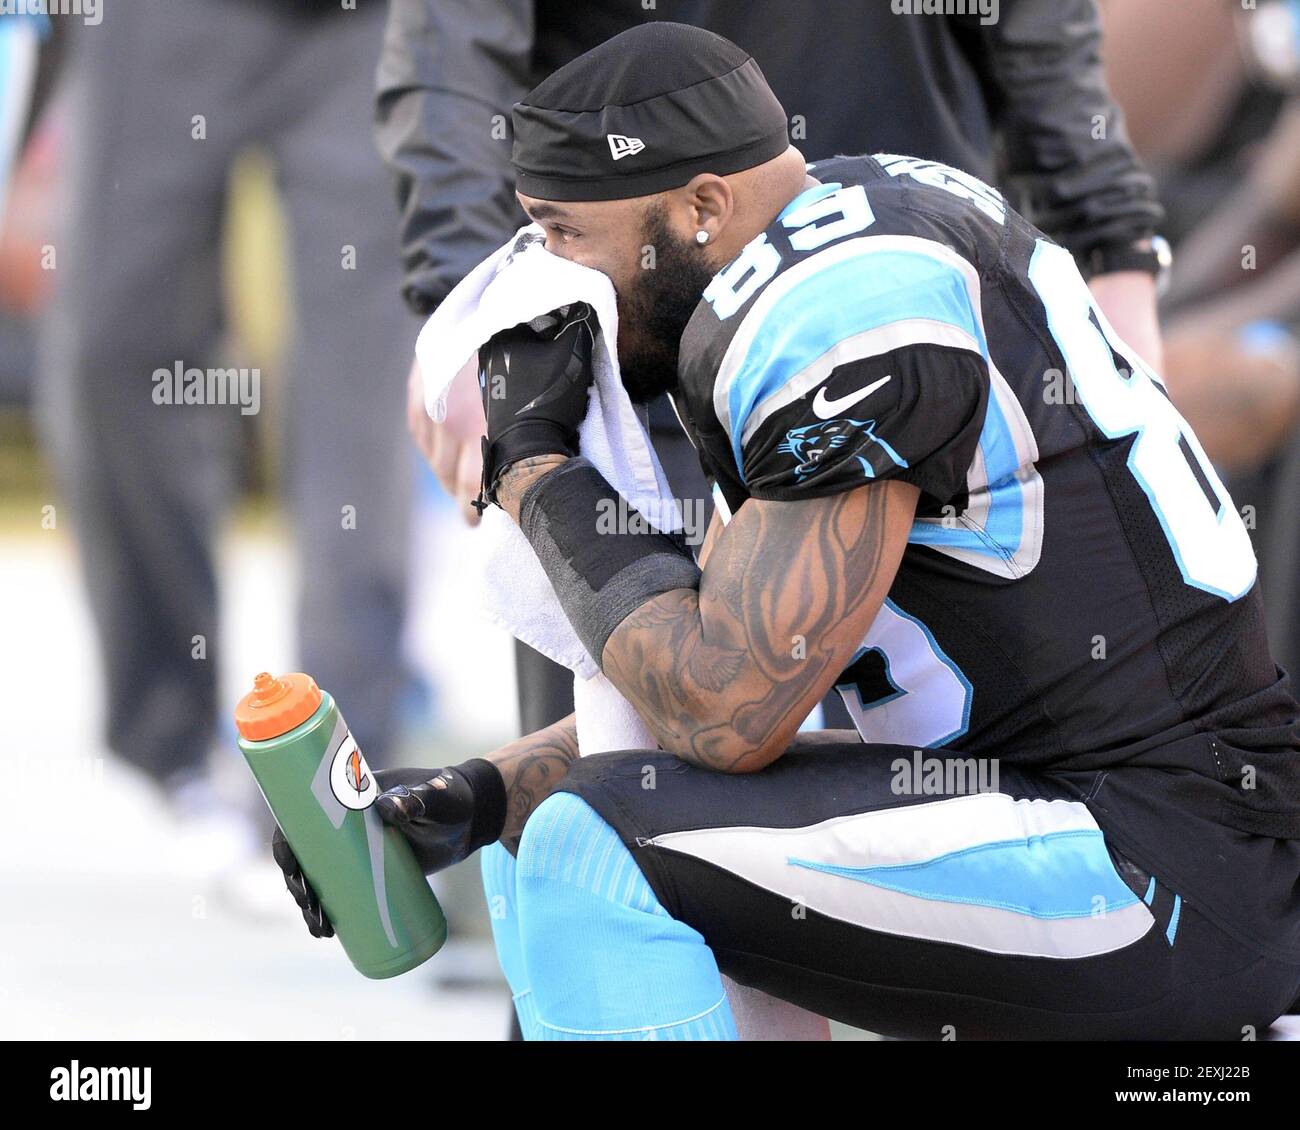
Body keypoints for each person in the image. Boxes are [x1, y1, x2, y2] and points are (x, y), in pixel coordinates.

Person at [277, 24, 1300, 1039]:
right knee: (546, 822)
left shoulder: (832, 310)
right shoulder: (808, 258)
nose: (551, 276)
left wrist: (537, 466)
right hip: (1093, 831)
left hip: (1155, 877)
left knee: (597, 847)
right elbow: (735, 644)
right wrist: (475, 792)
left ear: (699, 208)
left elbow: (726, 710)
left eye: (565, 234)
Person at [377, 0, 1169, 744]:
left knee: (646, 802)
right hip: (652, 332)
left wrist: (1112, 239)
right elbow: (451, 35)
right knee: (622, 769)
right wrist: (465, 300)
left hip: (886, 326)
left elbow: (720, 722)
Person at [37, 0, 414, 877]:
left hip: (369, 24)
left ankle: (329, 783)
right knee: (110, 352)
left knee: (361, 397)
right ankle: (168, 731)